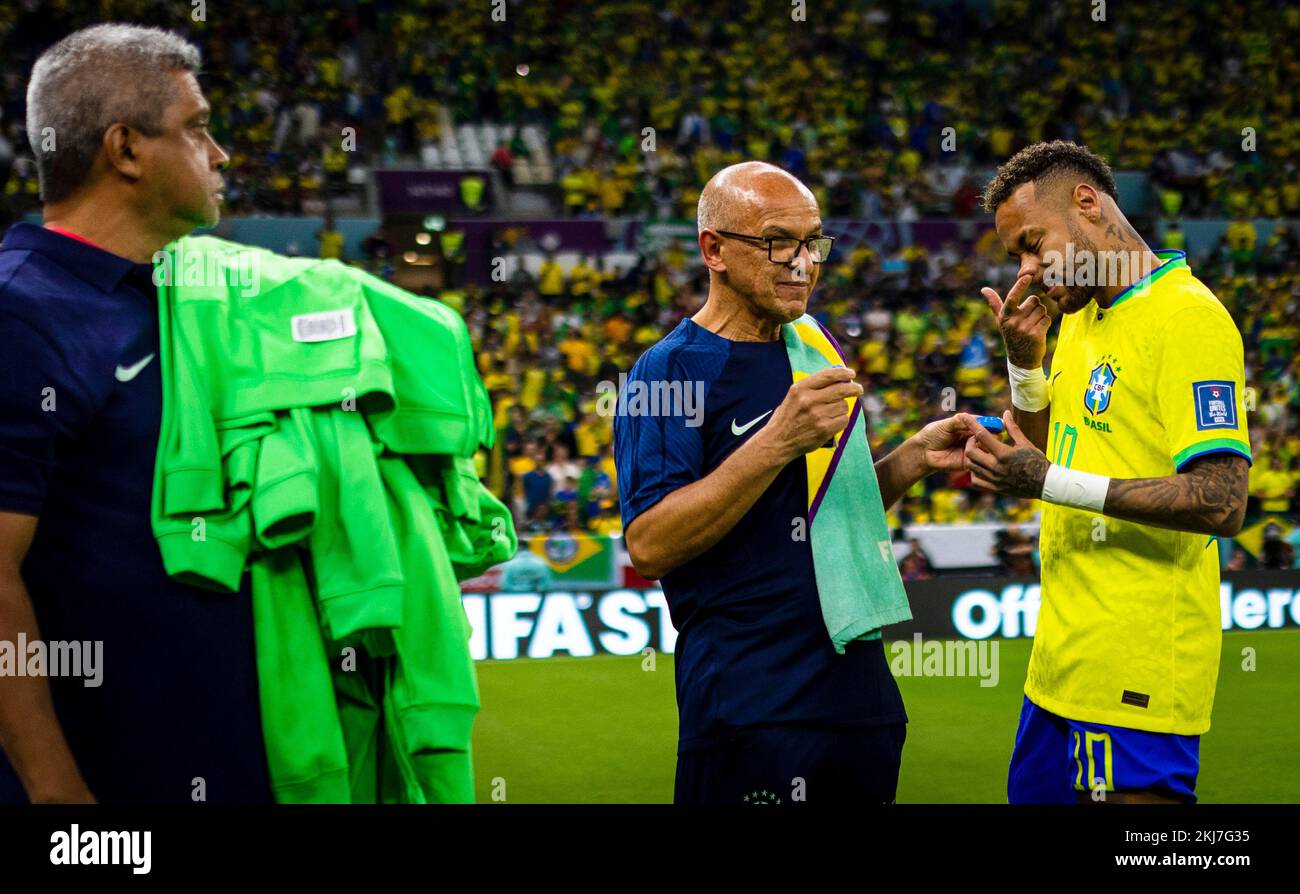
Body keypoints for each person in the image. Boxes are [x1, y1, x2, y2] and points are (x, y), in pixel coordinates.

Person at [614, 161, 972, 805]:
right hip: (750, 707)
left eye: (813, 243)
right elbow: (650, 544)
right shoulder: (667, 372)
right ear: (713, 250)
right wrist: (776, 441)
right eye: (778, 241)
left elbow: (829, 510)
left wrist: (911, 460)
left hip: (860, 697)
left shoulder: (814, 345)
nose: (802, 262)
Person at [0, 25, 272, 802]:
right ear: (124, 148)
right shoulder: (22, 313)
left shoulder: (184, 304)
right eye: (196, 127)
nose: (219, 154)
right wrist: (61, 802)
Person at [965, 141, 1251, 804]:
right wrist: (1024, 364)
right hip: (1058, 666)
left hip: (1137, 671)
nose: (1029, 271)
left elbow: (1222, 500)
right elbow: (1050, 451)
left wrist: (1045, 482)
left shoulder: (1187, 319)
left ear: (1089, 204)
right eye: (1017, 256)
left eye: (1034, 243)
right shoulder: (1084, 314)